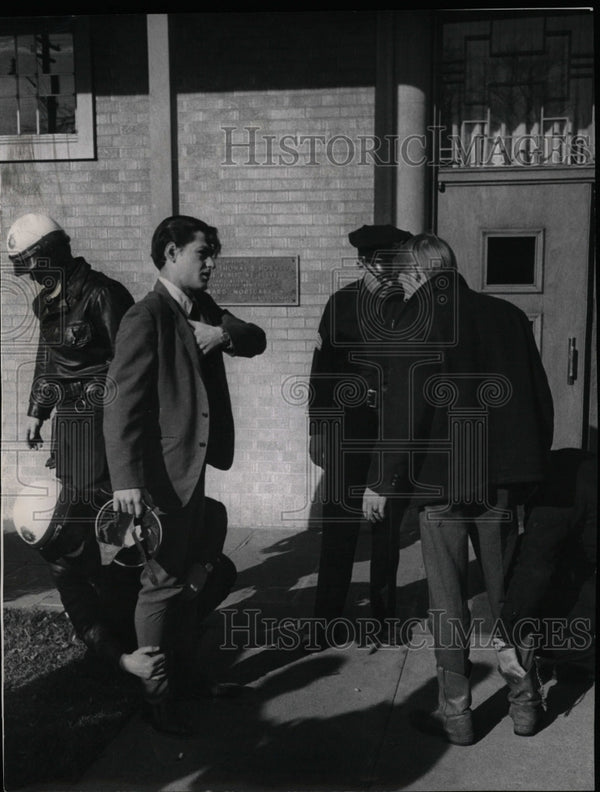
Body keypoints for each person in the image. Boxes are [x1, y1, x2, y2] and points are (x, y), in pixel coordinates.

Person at [362, 233, 554, 745]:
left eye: (404, 276)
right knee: (511, 597)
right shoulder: (509, 317)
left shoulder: (413, 322)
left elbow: (403, 413)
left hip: (439, 487)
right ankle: (524, 704)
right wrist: (531, 475)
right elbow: (541, 401)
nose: (401, 286)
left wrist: (381, 482)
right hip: (501, 486)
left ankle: (458, 715)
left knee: (447, 605)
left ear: (421, 273)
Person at [103, 214, 266, 734]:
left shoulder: (202, 311)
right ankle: (158, 702)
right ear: (171, 253)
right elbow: (120, 404)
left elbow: (255, 338)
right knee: (162, 584)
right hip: (158, 479)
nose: (212, 262)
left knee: (186, 584)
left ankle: (188, 681)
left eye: (213, 252)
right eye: (204, 252)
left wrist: (220, 333)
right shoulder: (144, 316)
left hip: (191, 472)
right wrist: (127, 481)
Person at [13, 485, 237, 690]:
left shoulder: (112, 501)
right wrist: (125, 661)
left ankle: (180, 629)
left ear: (77, 511)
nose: (69, 550)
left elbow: (214, 512)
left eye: (69, 534)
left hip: (156, 581)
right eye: (56, 547)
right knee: (121, 635)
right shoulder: (61, 563)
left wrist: (202, 565)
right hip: (122, 606)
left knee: (221, 571)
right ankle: (159, 643)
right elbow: (86, 622)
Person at [308, 223, 413, 648]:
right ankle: (326, 620)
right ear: (364, 262)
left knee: (387, 530)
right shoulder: (341, 304)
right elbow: (321, 374)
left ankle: (385, 619)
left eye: (396, 261)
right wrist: (318, 431)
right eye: (384, 262)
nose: (392, 270)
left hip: (391, 435)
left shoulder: (411, 305)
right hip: (347, 433)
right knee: (338, 530)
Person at [7, 212, 134, 507]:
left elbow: (130, 365)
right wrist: (37, 412)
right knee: (72, 496)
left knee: (97, 499)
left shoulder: (102, 294)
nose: (32, 277)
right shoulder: (46, 303)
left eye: (35, 268)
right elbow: (47, 359)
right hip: (68, 416)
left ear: (54, 255)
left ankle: (138, 550)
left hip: (101, 415)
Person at [494, 448, 597, 736]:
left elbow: (534, 570)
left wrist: (505, 634)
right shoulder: (576, 467)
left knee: (531, 570)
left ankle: (570, 659)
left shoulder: (558, 487)